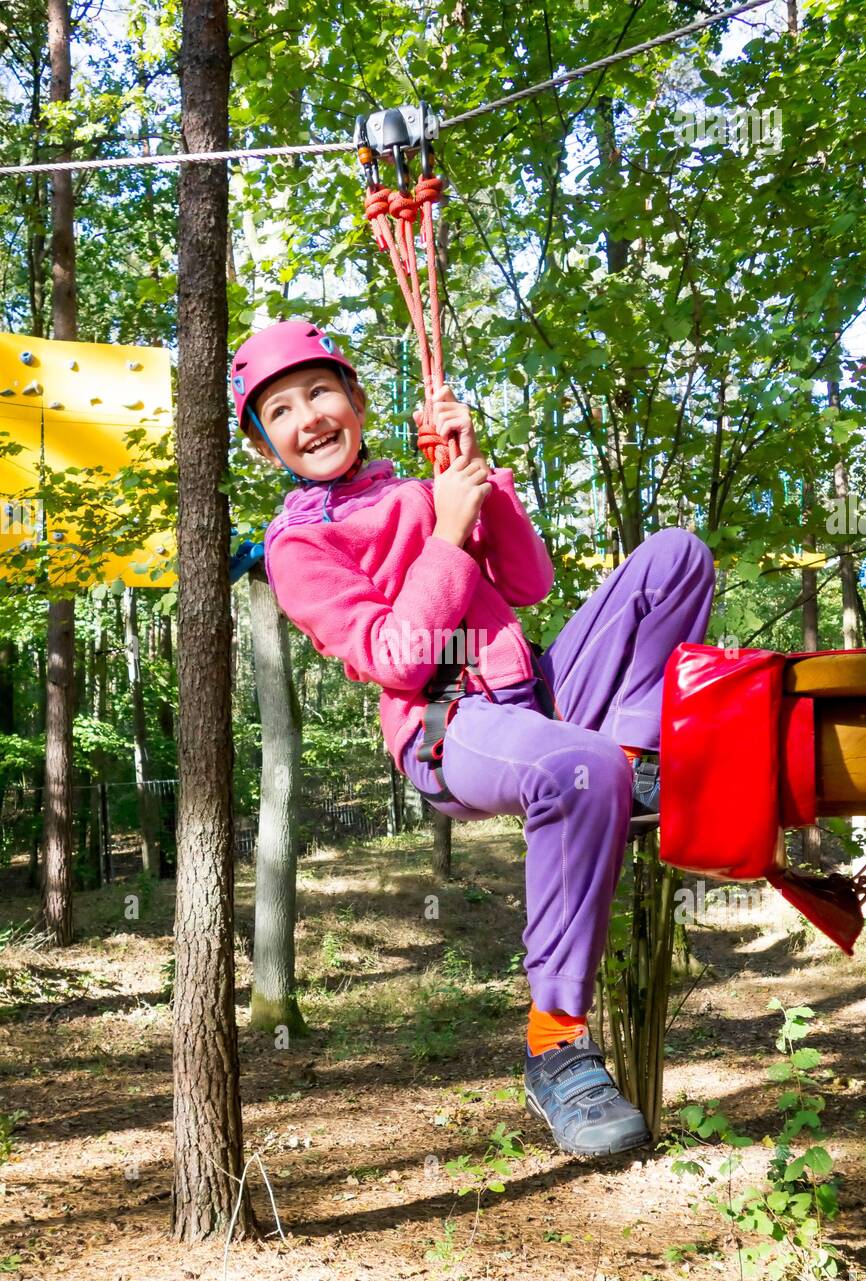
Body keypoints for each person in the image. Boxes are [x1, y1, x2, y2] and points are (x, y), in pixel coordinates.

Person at [230, 317, 716, 1158]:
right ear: (267, 446)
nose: (306, 417)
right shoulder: (300, 546)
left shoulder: (423, 489)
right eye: (279, 411)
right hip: (447, 724)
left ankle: (636, 763)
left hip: (536, 690)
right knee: (575, 764)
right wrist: (449, 532)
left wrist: (479, 483)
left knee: (673, 557)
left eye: (318, 392)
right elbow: (398, 657)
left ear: (356, 401)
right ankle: (555, 1042)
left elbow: (528, 583)